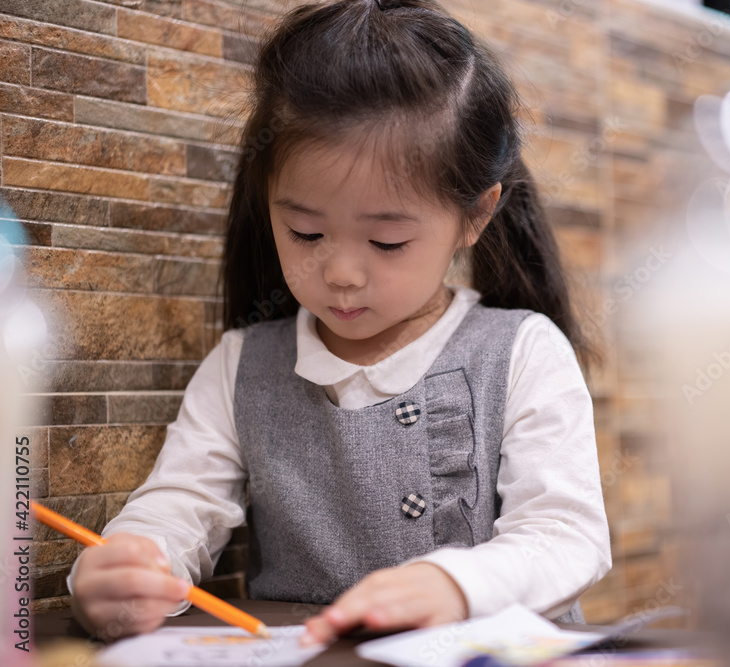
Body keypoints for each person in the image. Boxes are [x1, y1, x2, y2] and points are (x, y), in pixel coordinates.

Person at [66, 0, 611, 644]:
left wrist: (458, 585)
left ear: (475, 215)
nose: (342, 273)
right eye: (306, 231)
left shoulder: (521, 350)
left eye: (386, 243)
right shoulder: (244, 365)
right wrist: (131, 568)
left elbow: (566, 535)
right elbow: (181, 504)